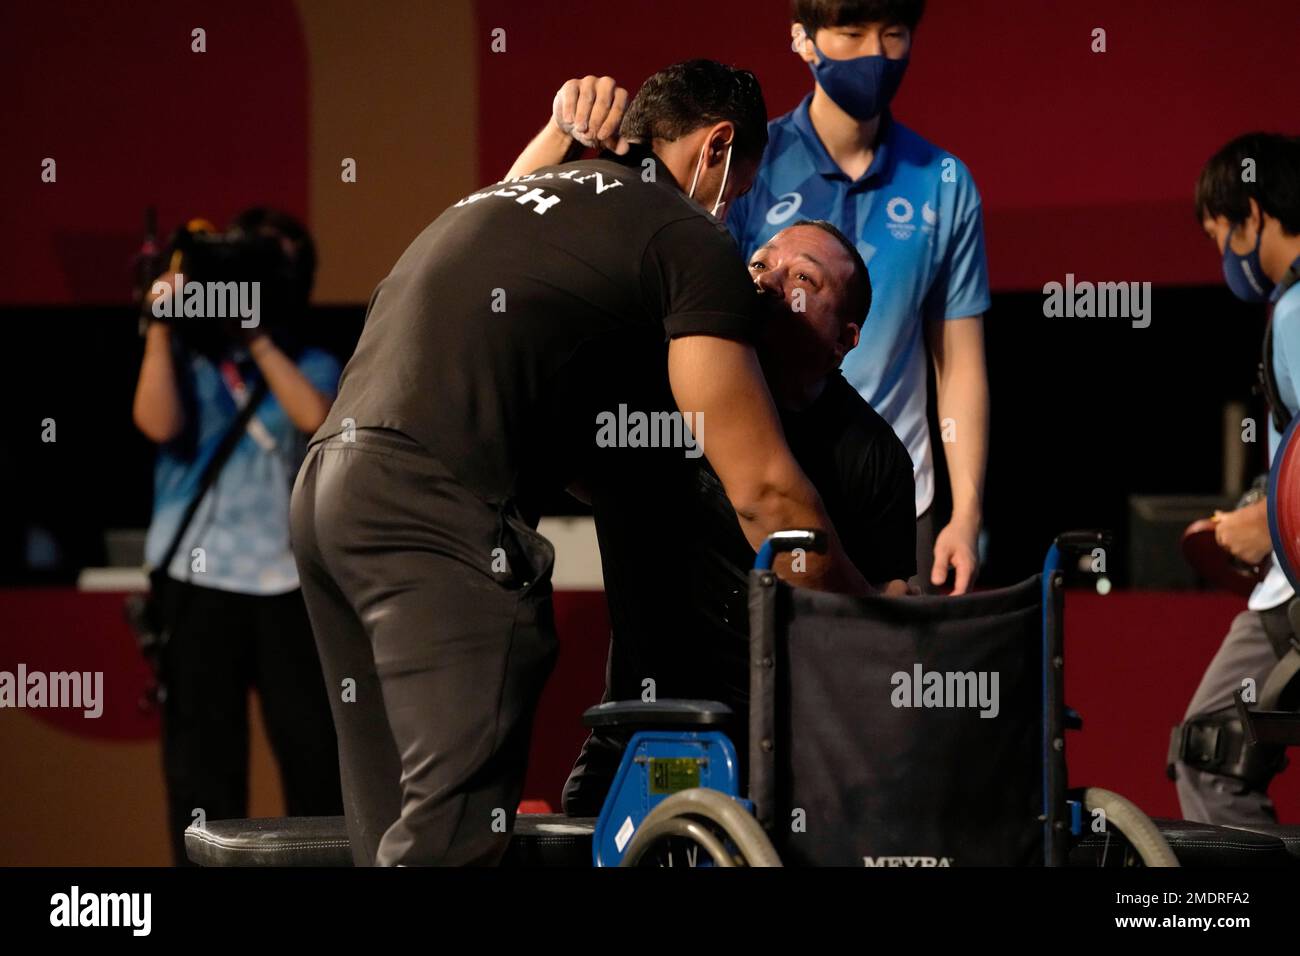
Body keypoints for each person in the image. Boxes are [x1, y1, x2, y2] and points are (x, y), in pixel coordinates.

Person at [290, 60, 872, 867]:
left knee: (391, 832)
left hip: (326, 490)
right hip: (433, 513)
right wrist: (871, 619)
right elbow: (769, 495)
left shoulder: (512, 199)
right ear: (718, 146)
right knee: (450, 843)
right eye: (739, 194)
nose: (734, 221)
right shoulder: (685, 236)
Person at [561, 219, 918, 815]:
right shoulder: (654, 394)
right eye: (759, 265)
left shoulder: (875, 456)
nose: (770, 281)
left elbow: (890, 605)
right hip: (636, 747)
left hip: (789, 764)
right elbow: (568, 465)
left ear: (845, 339)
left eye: (803, 277)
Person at [132, 207, 344, 865]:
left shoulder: (312, 361)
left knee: (315, 762)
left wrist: (255, 339)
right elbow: (157, 424)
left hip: (288, 587)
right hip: (197, 589)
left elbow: (317, 419)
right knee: (203, 772)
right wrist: (160, 327)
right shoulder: (189, 355)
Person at [1170, 133, 1300, 825]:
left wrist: (1264, 527)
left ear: (1252, 213)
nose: (1225, 257)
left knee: (1206, 754)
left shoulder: (1296, 308)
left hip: (1293, 601)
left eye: (1223, 234)